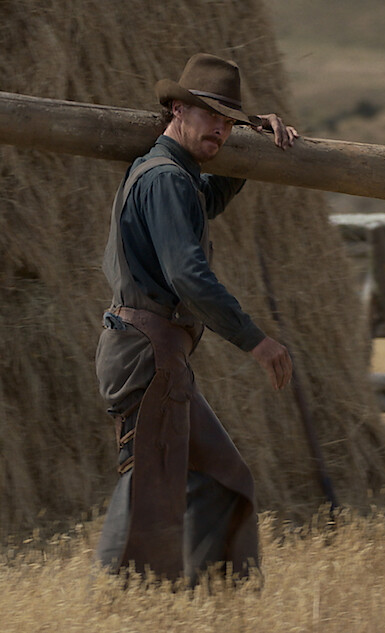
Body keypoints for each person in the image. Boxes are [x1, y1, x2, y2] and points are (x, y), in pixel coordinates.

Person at [94, 53, 298, 586]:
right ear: (177, 109)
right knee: (150, 481)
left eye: (230, 122)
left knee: (219, 478)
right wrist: (256, 341)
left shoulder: (178, 178)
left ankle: (210, 598)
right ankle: (113, 603)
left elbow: (210, 197)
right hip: (148, 353)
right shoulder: (164, 178)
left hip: (156, 352)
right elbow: (189, 277)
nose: (221, 131)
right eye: (212, 116)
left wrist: (254, 141)